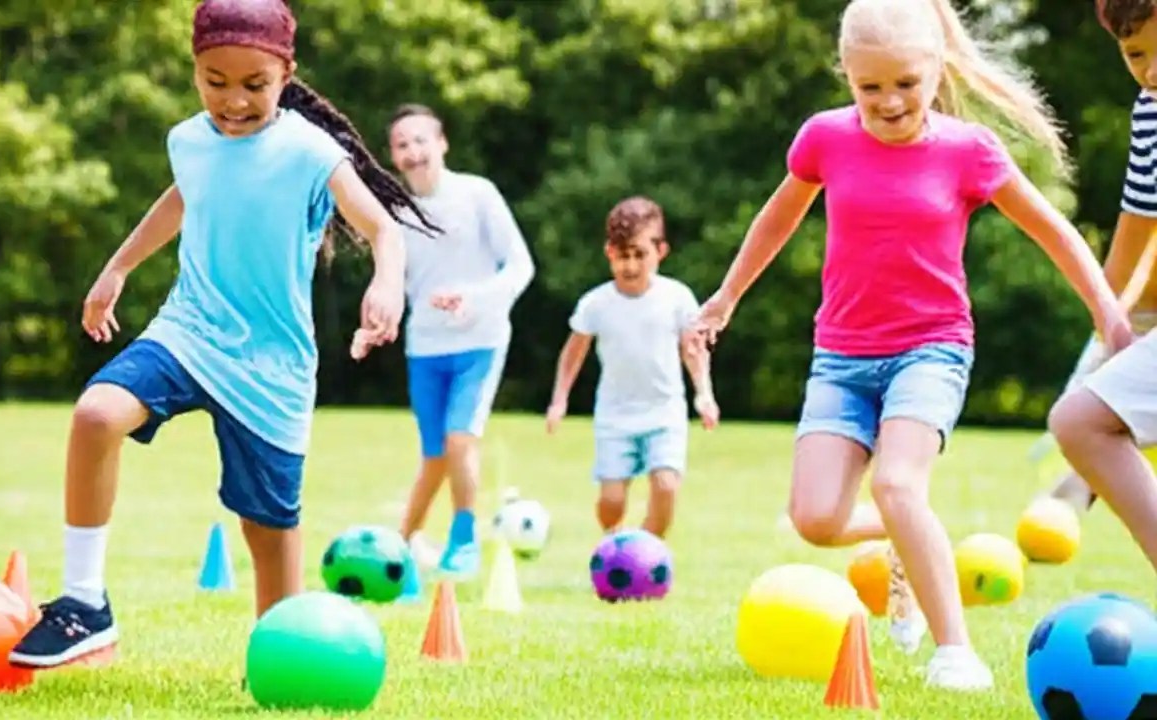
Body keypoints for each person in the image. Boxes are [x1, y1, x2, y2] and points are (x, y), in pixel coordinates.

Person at [688, 0, 1132, 691]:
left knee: (898, 482)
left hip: (931, 349)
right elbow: (778, 217)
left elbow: (1052, 231)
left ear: (936, 71)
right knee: (815, 518)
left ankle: (957, 652)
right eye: (870, 88)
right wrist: (726, 296)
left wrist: (1107, 309)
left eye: (904, 84)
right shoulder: (824, 140)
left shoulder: (968, 151)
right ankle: (906, 535)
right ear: (847, 77)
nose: (888, 102)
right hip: (841, 356)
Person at [8, 0, 433, 669]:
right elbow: (182, 197)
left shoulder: (308, 149)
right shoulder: (189, 139)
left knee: (268, 535)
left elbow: (381, 226)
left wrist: (386, 283)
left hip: (271, 367)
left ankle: (281, 655)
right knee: (96, 415)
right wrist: (116, 268)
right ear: (195, 69)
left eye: (254, 85)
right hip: (189, 332)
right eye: (215, 80)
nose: (233, 100)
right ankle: (85, 604)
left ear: (286, 73)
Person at [368, 103, 534, 581]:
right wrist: (383, 316)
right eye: (402, 144)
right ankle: (400, 546)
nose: (413, 151)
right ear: (394, 157)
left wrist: (475, 299)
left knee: (460, 442)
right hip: (424, 347)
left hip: (480, 341)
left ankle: (464, 538)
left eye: (421, 140)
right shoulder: (395, 213)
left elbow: (521, 266)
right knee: (435, 456)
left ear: (442, 143)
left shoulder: (477, 194)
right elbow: (394, 281)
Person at [1026, 0, 1157, 516]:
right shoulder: (1151, 110)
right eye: (1135, 53)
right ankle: (1081, 481)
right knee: (1079, 420)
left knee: (1080, 421)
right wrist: (1111, 316)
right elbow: (1137, 228)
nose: (1152, 71)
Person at [545, 196, 717, 539]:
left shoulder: (676, 298)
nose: (631, 265)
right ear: (610, 253)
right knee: (611, 502)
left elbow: (693, 350)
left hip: (664, 411)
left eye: (640, 254)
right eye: (623, 256)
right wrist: (559, 400)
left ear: (661, 252)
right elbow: (573, 354)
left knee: (666, 485)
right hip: (615, 415)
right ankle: (616, 545)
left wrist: (704, 394)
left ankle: (646, 551)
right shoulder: (595, 304)